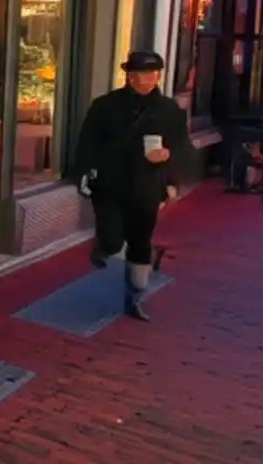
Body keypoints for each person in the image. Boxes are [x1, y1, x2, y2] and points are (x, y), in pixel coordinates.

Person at [74, 51, 190, 322]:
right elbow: (87, 143)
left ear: (158, 76)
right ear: (129, 76)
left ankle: (134, 297)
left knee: (140, 243)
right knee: (114, 239)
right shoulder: (105, 106)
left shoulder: (169, 110)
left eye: (151, 75)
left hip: (147, 186)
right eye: (139, 75)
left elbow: (182, 148)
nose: (146, 80)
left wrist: (170, 168)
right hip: (110, 184)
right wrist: (85, 173)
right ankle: (104, 246)